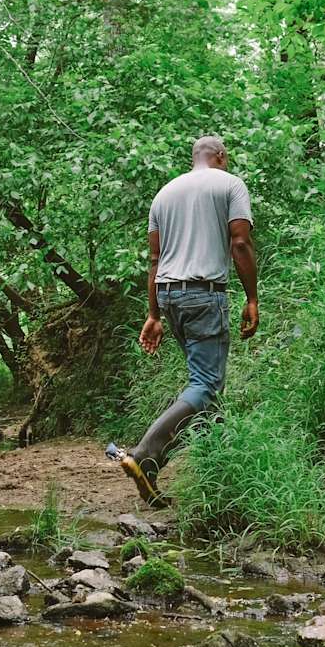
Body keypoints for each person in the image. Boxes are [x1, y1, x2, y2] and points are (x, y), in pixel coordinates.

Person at [116, 134, 258, 507]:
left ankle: (219, 475)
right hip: (204, 293)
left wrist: (153, 314)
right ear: (221, 157)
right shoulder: (230, 184)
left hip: (169, 295)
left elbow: (155, 260)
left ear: (194, 157)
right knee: (206, 385)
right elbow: (240, 243)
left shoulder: (164, 194)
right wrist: (252, 297)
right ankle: (146, 454)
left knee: (208, 388)